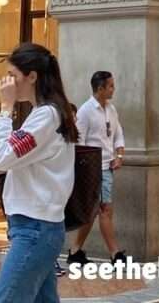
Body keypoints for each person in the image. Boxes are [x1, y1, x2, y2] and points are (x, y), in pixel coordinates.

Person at [0, 43, 77, 303]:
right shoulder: (45, 114)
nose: (8, 83)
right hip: (36, 225)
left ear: (33, 76)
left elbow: (0, 159)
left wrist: (5, 109)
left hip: (35, 228)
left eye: (13, 76)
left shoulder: (46, 117)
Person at [71, 70, 125, 265]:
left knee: (94, 211)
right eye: (110, 86)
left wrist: (119, 155)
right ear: (100, 88)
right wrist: (84, 169)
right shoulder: (86, 111)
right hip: (92, 168)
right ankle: (115, 254)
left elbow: (118, 133)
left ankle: (75, 250)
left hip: (106, 166)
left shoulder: (111, 109)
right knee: (105, 209)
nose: (113, 89)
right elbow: (79, 140)